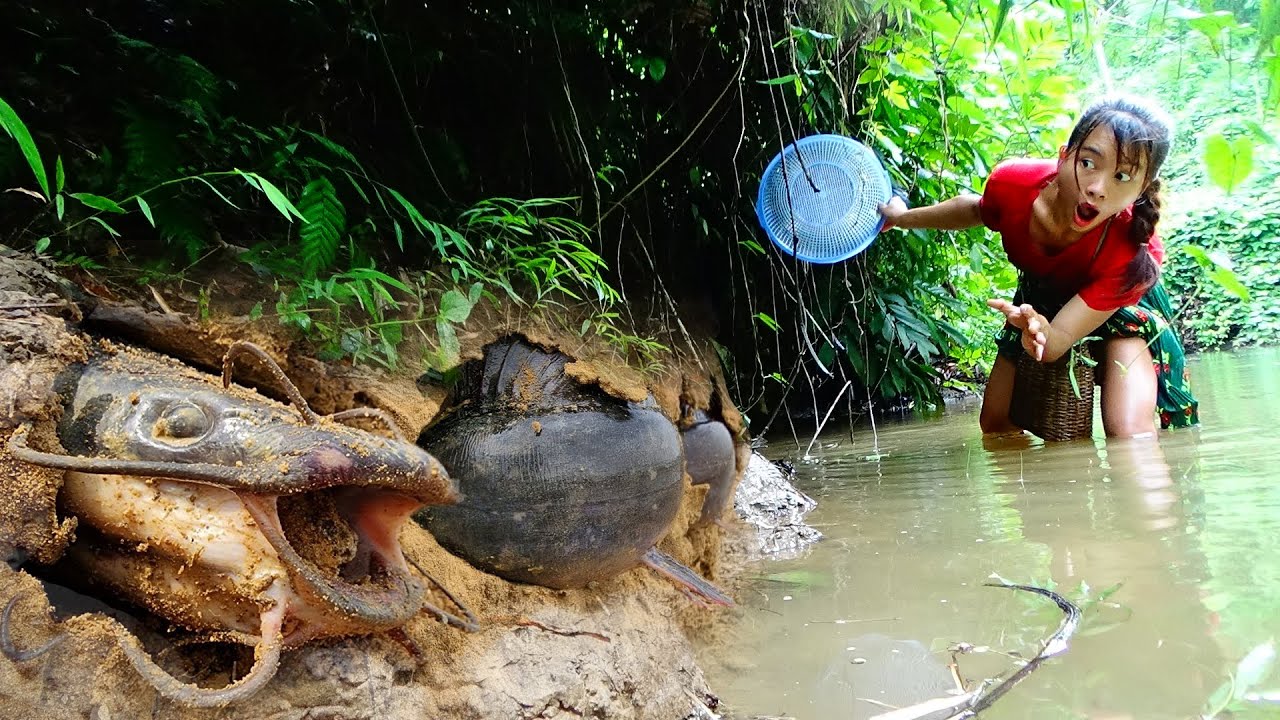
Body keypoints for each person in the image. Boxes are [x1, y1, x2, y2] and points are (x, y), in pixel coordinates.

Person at [879, 94, 1199, 438]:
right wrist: (902, 218)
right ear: (1064, 156)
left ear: (1141, 190)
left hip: (1123, 308)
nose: (1097, 188)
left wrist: (1050, 336)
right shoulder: (1014, 185)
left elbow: (1060, 337)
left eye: (1122, 176)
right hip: (1041, 295)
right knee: (996, 425)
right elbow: (977, 210)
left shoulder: (1130, 253)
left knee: (1128, 431)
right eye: (1088, 163)